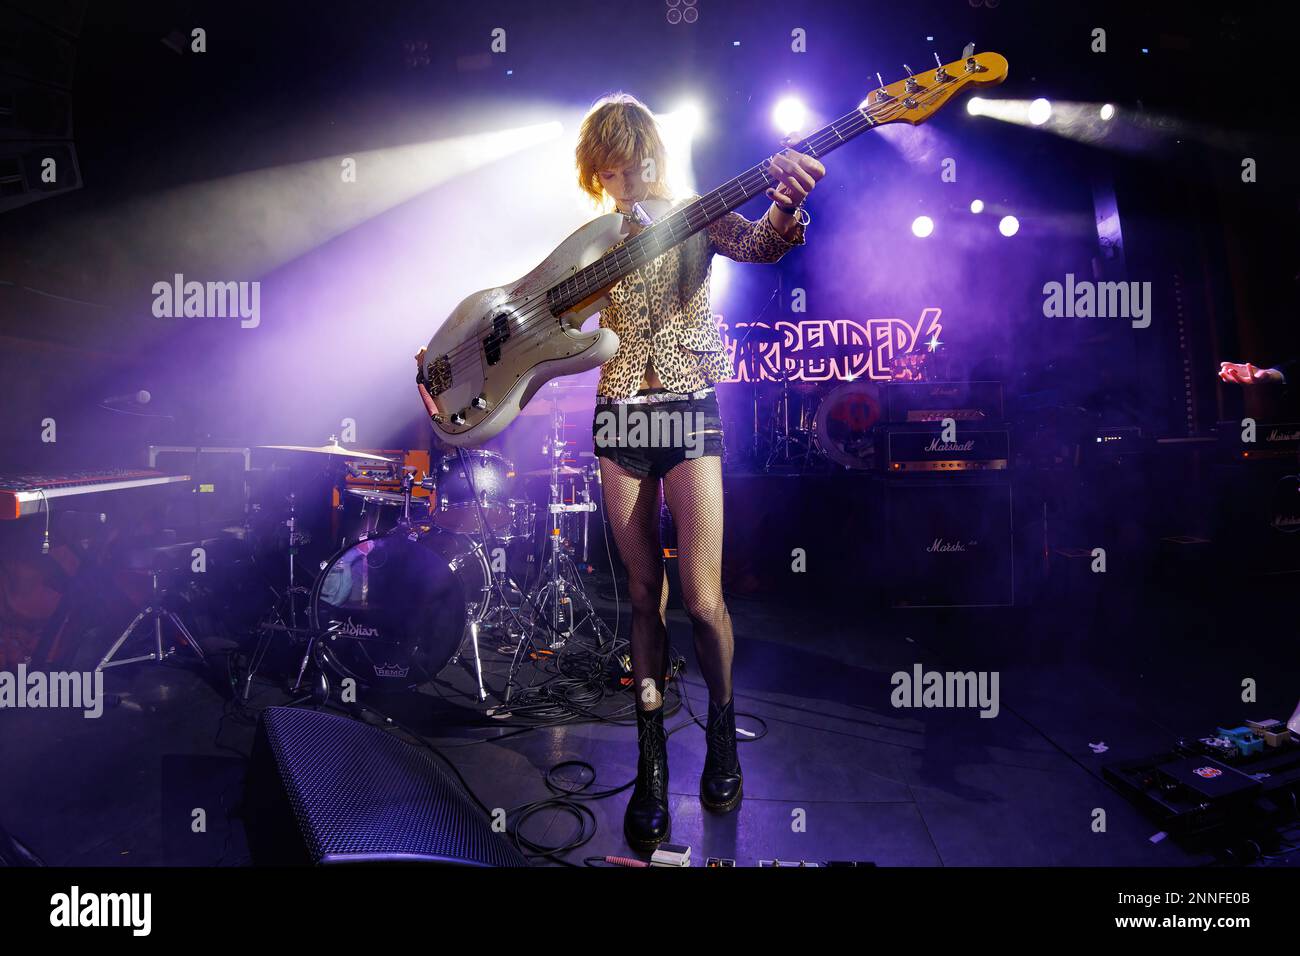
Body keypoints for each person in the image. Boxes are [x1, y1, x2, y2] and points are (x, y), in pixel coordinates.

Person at [574, 92, 824, 851]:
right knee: (643, 597)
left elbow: (761, 246)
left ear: (646, 154)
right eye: (606, 172)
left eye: (626, 165)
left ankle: (720, 726)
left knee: (705, 598)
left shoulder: (699, 210)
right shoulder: (591, 237)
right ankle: (651, 763)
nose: (620, 182)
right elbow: (540, 322)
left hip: (686, 410)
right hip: (619, 413)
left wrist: (784, 209)